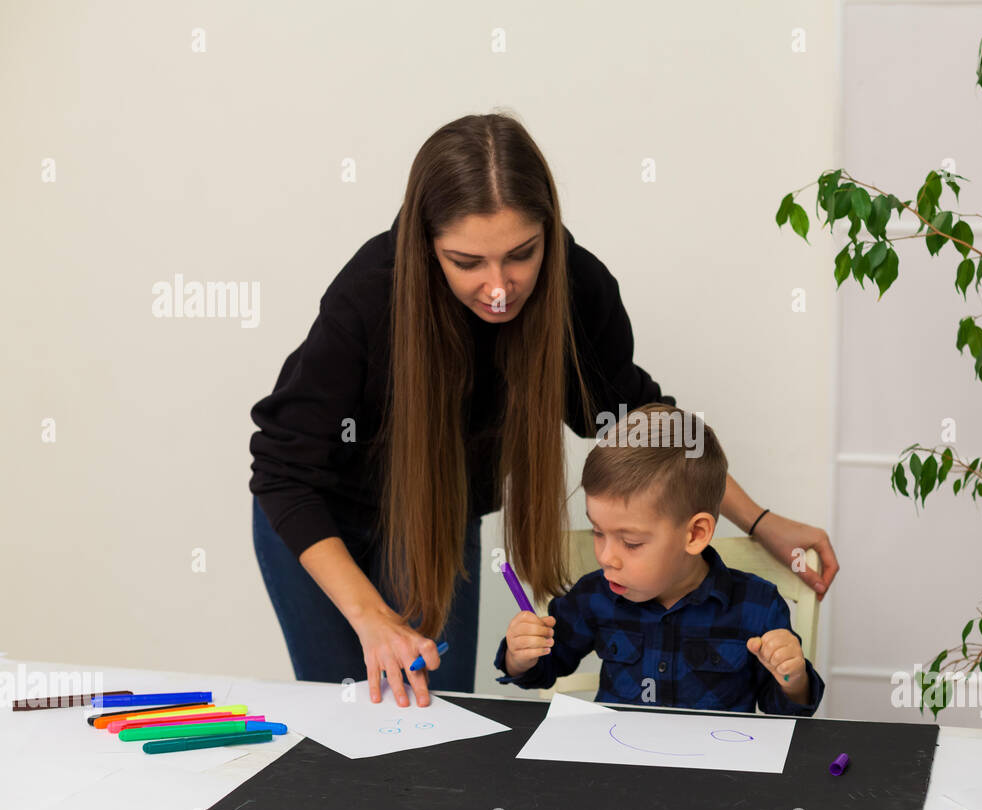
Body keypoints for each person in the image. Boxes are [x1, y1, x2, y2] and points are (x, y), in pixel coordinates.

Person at [249, 112, 839, 709]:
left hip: (435, 520)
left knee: (432, 724)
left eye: (521, 255)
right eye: (467, 263)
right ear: (428, 248)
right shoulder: (369, 295)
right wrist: (371, 618)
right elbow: (283, 471)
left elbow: (643, 424)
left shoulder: (578, 288)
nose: (500, 288)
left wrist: (758, 521)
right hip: (317, 520)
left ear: (549, 233)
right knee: (347, 720)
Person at [495, 403, 826, 715]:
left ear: (695, 534)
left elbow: (785, 713)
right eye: (597, 532)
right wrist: (519, 656)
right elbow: (546, 668)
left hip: (716, 770)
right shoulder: (593, 595)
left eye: (631, 542)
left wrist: (792, 677)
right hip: (616, 766)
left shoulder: (757, 605)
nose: (606, 556)